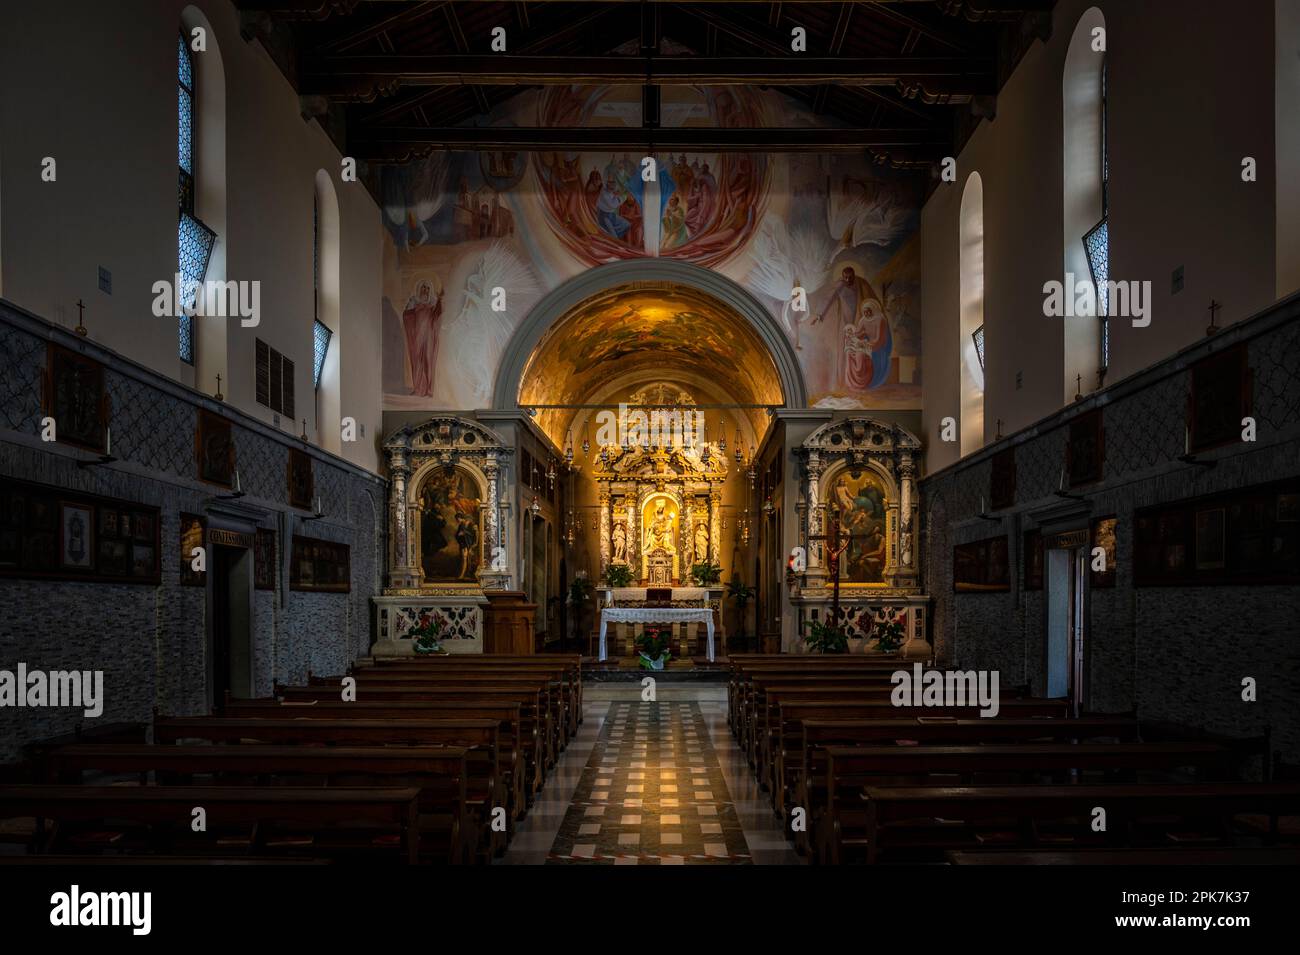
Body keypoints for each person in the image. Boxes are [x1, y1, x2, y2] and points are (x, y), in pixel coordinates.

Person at [401, 280, 442, 397]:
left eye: (427, 288)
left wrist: (439, 303)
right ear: (419, 289)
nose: (425, 290)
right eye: (423, 288)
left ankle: (429, 390)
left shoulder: (433, 302)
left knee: (428, 360)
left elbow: (437, 317)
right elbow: (406, 315)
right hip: (417, 336)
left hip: (428, 337)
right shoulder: (414, 301)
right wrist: (415, 310)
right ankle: (418, 388)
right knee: (417, 361)